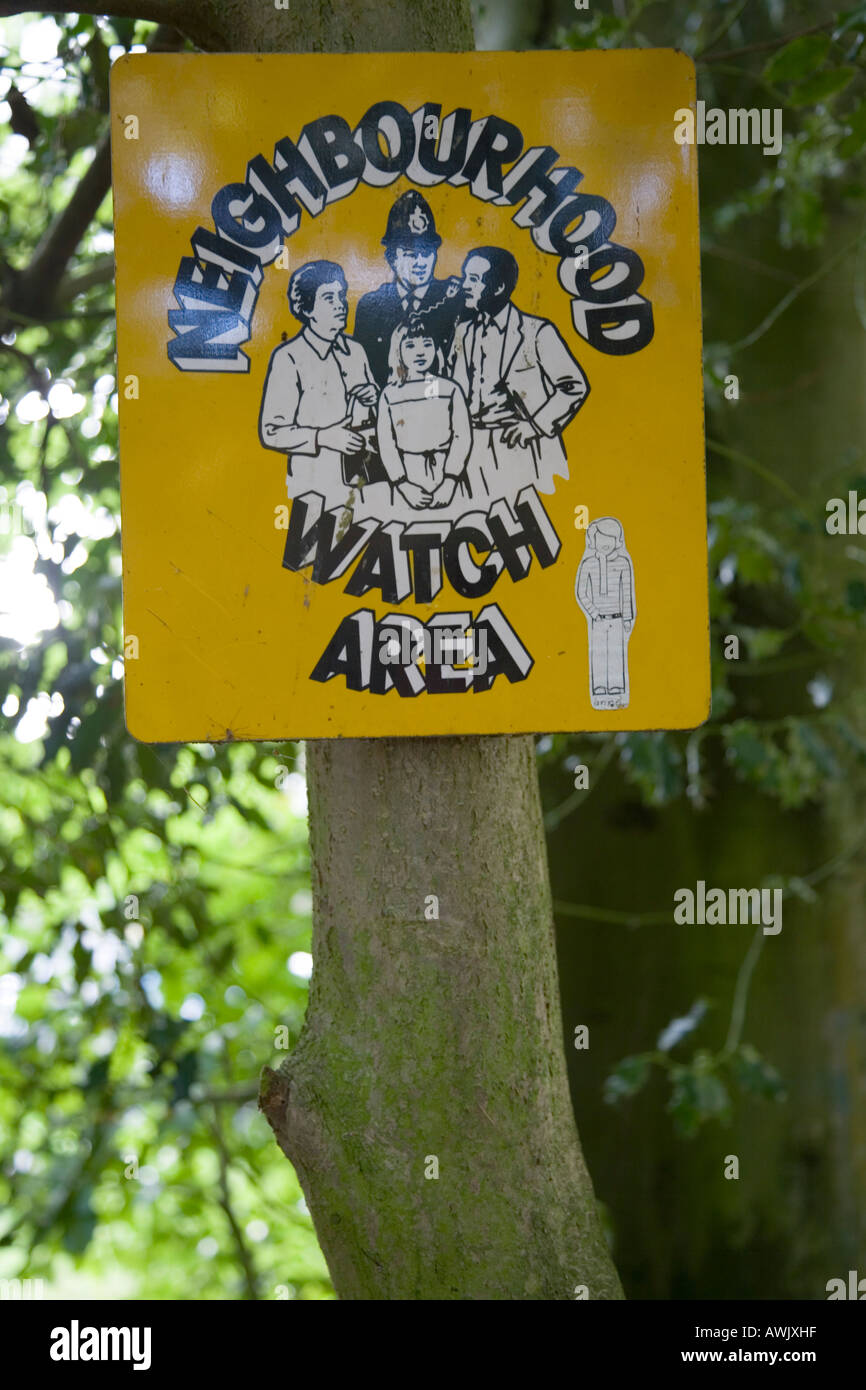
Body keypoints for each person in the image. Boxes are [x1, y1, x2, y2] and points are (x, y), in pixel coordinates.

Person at [448, 246, 590, 502]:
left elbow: (574, 386)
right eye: (464, 276)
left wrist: (535, 425)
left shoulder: (537, 332)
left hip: (523, 449)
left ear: (499, 287)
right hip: (473, 451)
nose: (464, 285)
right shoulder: (463, 332)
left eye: (474, 279)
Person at [258, 259, 379, 513]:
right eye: (328, 297)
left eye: (341, 295)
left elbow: (374, 415)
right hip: (313, 490)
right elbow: (271, 431)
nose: (341, 304)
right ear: (308, 308)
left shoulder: (356, 352)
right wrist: (323, 437)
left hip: (363, 485)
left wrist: (373, 399)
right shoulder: (288, 357)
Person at [353, 190, 463, 388]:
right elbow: (360, 371)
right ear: (392, 257)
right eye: (410, 254)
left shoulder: (453, 298)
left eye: (427, 252)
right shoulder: (370, 307)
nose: (420, 262)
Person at [375, 318, 472, 519]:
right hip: (408, 478)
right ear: (398, 350)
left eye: (427, 344)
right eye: (410, 345)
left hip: (448, 473)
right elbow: (386, 444)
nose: (420, 352)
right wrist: (403, 485)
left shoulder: (448, 388)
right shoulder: (390, 394)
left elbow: (462, 436)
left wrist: (450, 481)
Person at [575, 517, 635, 708]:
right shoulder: (588, 564)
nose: (605, 544)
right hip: (598, 619)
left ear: (617, 541)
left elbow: (627, 592)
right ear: (593, 541)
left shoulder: (624, 563)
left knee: (617, 654)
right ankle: (599, 687)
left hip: (617, 617)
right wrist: (593, 613)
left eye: (609, 540)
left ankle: (617, 688)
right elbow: (581, 592)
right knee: (598, 653)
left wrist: (627, 617)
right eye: (601, 540)